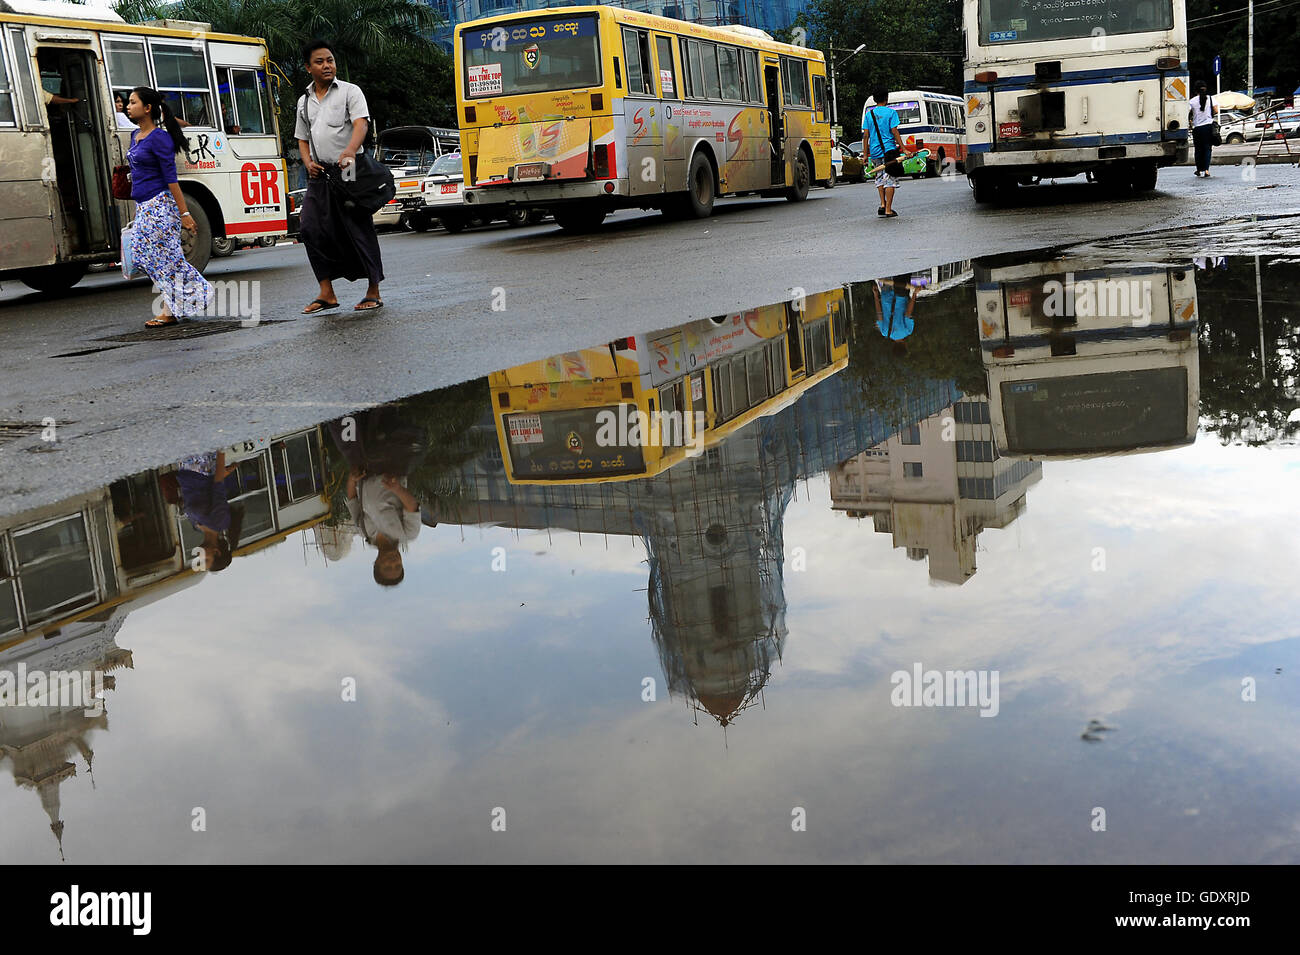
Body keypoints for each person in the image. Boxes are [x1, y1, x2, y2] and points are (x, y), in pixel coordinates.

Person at [294, 39, 385, 314]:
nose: (327, 66)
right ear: (308, 67)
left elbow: (362, 124)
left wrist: (349, 150)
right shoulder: (303, 101)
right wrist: (307, 161)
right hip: (319, 173)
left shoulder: (349, 91)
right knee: (309, 227)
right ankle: (327, 292)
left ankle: (373, 290)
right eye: (320, 62)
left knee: (356, 227)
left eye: (330, 60)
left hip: (349, 167)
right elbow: (301, 137)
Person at [124, 86, 213, 328]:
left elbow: (171, 178)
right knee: (142, 255)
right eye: (128, 102)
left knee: (167, 258)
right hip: (144, 205)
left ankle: (181, 303)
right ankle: (186, 299)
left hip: (160, 206)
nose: (128, 106)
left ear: (148, 108)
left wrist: (184, 213)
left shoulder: (159, 138)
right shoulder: (135, 135)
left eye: (133, 102)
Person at [328, 407, 425, 586]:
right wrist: (396, 488)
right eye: (398, 566)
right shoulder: (408, 533)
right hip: (387, 459)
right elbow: (412, 506)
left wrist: (351, 479)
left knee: (340, 418)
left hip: (361, 462)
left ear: (377, 564)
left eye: (388, 568)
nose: (393, 563)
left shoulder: (364, 532)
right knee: (378, 410)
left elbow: (352, 500)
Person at [174, 452, 244, 573]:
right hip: (201, 465)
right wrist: (221, 451)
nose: (199, 557)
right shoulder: (220, 522)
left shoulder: (196, 527)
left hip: (184, 468)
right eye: (205, 560)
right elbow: (218, 486)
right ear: (216, 552)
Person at [864, 87, 905, 218]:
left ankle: (882, 204)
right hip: (889, 151)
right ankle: (888, 209)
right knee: (890, 179)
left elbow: (865, 136)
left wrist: (865, 154)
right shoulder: (891, 113)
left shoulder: (869, 115)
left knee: (880, 178)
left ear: (875, 99)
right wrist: (904, 148)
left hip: (875, 152)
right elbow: (894, 131)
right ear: (886, 98)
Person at [873, 276, 918, 347]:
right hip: (886, 296)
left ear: (905, 345)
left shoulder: (907, 331)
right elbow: (879, 314)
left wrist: (915, 294)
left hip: (901, 294)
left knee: (902, 270)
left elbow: (908, 314)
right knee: (887, 271)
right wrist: (876, 295)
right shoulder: (884, 332)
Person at [1189, 82, 1218, 178]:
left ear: (1196, 90)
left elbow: (1187, 112)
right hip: (1208, 126)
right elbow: (1216, 111)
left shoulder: (1192, 101)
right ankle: (1206, 170)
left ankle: (1198, 169)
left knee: (1198, 149)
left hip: (1197, 128)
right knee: (1207, 149)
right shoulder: (1211, 98)